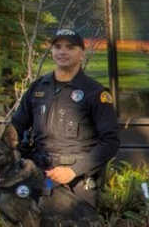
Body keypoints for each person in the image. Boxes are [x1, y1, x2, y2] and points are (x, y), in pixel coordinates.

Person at [12, 28, 120, 210]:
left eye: (70, 47)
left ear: (81, 54)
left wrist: (73, 170)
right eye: (57, 47)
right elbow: (16, 127)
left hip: (76, 180)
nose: (62, 52)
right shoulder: (38, 88)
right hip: (40, 173)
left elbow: (111, 141)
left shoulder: (95, 92)